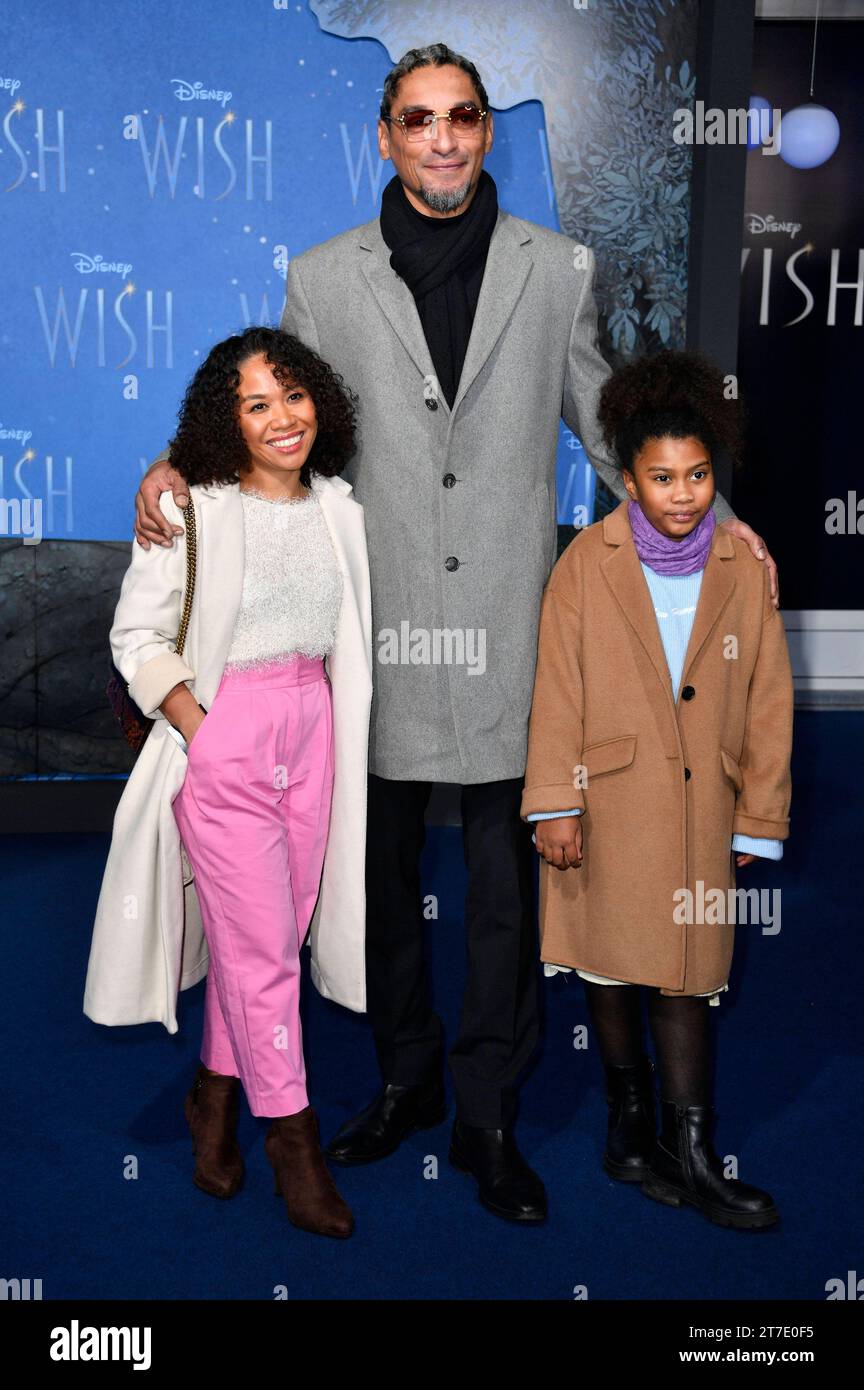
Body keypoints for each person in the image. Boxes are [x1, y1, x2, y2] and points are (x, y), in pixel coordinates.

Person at [130, 44, 778, 1224]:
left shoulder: (556, 267)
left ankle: (488, 1118)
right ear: (384, 135)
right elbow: (284, 429)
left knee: (501, 896)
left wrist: (720, 523)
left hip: (507, 637)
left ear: (486, 133)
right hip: (368, 640)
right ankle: (402, 1082)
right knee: (373, 886)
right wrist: (181, 459)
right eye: (418, 119)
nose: (443, 139)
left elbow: (603, 425)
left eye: (463, 119)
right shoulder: (323, 276)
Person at [84, 327, 373, 1239]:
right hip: (226, 737)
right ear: (228, 419)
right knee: (258, 955)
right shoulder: (193, 509)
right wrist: (201, 730)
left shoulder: (340, 508)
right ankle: (294, 1143)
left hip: (315, 730)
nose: (282, 418)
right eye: (256, 404)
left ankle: (212, 1095)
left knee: (272, 943)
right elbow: (136, 636)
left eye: (293, 395)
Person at [522, 349, 793, 1229]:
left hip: (702, 813)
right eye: (662, 477)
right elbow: (556, 690)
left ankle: (694, 1151)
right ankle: (627, 1126)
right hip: (605, 811)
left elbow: (768, 700)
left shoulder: (744, 568)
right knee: (610, 964)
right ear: (628, 480)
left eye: (699, 475)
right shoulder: (584, 566)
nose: (683, 494)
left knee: (687, 977)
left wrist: (758, 816)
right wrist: (555, 802)